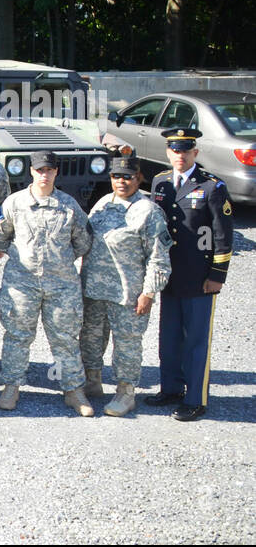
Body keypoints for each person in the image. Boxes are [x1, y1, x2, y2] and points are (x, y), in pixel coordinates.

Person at [0, 150, 94, 415]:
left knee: (65, 339)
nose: (44, 175)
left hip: (61, 286)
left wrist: (59, 262)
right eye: (39, 170)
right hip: (22, 283)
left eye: (49, 170)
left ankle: (73, 390)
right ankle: (12, 386)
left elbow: (83, 242)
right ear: (31, 172)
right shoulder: (15, 203)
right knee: (17, 336)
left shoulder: (69, 206)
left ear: (56, 172)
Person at [144, 127, 233, 422]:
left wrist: (217, 275)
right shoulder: (161, 183)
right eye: (174, 150)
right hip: (168, 275)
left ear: (195, 152)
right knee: (168, 337)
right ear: (168, 152)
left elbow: (223, 235)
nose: (179, 156)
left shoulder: (211, 187)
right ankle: (170, 388)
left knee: (195, 340)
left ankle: (196, 399)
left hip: (199, 276)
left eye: (184, 151)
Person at [80, 156, 172, 416]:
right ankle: (93, 381)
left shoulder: (148, 211)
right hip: (94, 290)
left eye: (128, 177)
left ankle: (125, 393)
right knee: (90, 338)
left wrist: (150, 292)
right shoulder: (102, 203)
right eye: (116, 176)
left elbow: (159, 258)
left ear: (139, 177)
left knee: (127, 345)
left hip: (128, 293)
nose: (121, 181)